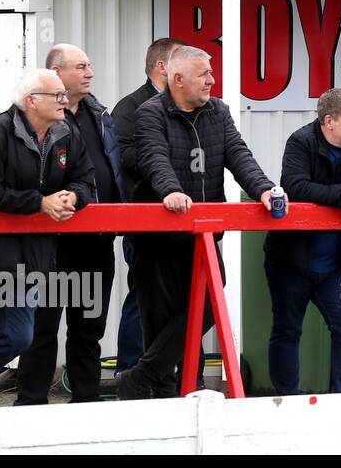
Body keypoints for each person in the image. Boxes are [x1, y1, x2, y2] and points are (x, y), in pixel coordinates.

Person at [115, 46, 282, 400]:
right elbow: (153, 158)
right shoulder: (150, 113)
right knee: (158, 321)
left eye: (211, 72)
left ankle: (139, 377)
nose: (212, 80)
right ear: (177, 79)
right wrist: (171, 191)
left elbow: (238, 154)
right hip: (157, 237)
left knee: (206, 302)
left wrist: (264, 189)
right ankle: (160, 400)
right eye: (203, 73)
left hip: (203, 233)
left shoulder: (218, 112)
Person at [15, 45, 126, 405]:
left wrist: (80, 198)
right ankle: (30, 403)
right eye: (81, 67)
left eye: (90, 66)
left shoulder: (98, 114)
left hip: (93, 242)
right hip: (48, 245)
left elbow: (99, 173)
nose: (90, 73)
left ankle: (87, 401)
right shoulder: (27, 123)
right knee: (42, 328)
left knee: (88, 327)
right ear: (56, 74)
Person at [270, 88, 341, 394]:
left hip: (337, 265)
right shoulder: (301, 141)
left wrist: (331, 195)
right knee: (287, 330)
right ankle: (286, 401)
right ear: (329, 121)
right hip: (291, 262)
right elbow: (295, 186)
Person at [0, 71, 96, 372]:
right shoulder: (0, 131)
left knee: (18, 336)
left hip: (31, 260)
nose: (65, 101)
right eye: (57, 95)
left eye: (64, 95)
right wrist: (39, 203)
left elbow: (86, 179)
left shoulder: (67, 132)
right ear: (31, 101)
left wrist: (72, 197)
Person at [110, 37, 182, 372]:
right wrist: (167, 162)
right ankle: (129, 375)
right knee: (143, 300)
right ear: (162, 66)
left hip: (185, 223)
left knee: (187, 302)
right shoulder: (130, 108)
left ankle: (181, 378)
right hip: (146, 222)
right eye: (180, 61)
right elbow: (123, 155)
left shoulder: (191, 106)